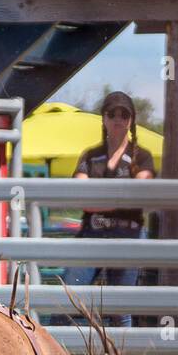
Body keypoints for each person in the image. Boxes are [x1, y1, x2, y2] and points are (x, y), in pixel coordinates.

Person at [66, 91, 155, 328]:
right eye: (112, 113)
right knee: (69, 300)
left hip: (128, 235)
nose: (118, 119)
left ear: (131, 120)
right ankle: (66, 350)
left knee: (120, 310)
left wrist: (101, 200)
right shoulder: (90, 156)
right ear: (104, 118)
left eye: (124, 114)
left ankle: (119, 354)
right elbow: (80, 195)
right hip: (93, 232)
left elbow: (139, 195)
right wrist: (121, 199)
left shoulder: (142, 156)